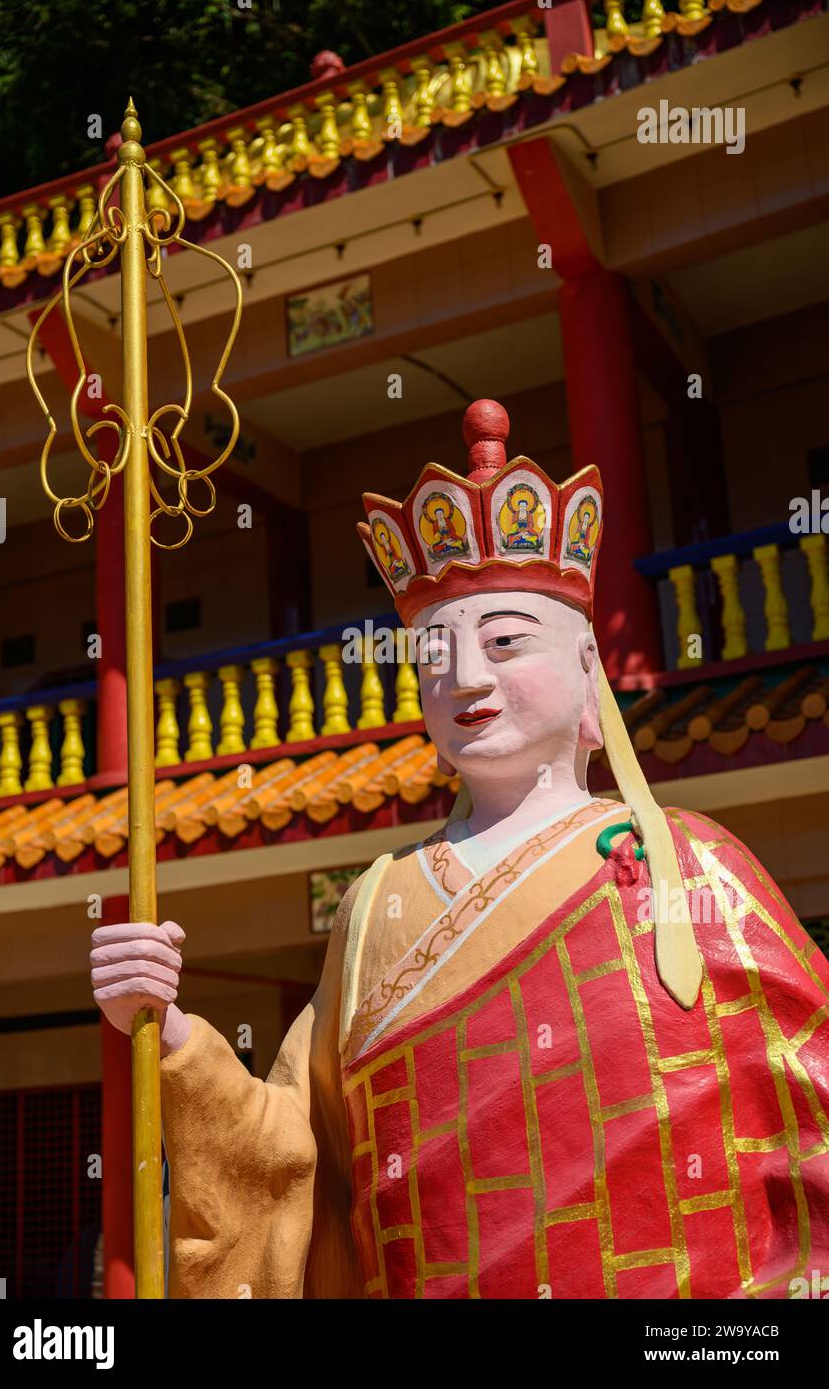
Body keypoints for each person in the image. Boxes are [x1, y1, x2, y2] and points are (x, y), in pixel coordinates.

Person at [92, 401, 829, 1299]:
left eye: (507, 640)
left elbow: (808, 1119)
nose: (466, 677)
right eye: (433, 651)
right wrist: (170, 1034)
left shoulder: (694, 866)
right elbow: (298, 1154)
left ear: (591, 670)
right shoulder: (375, 906)